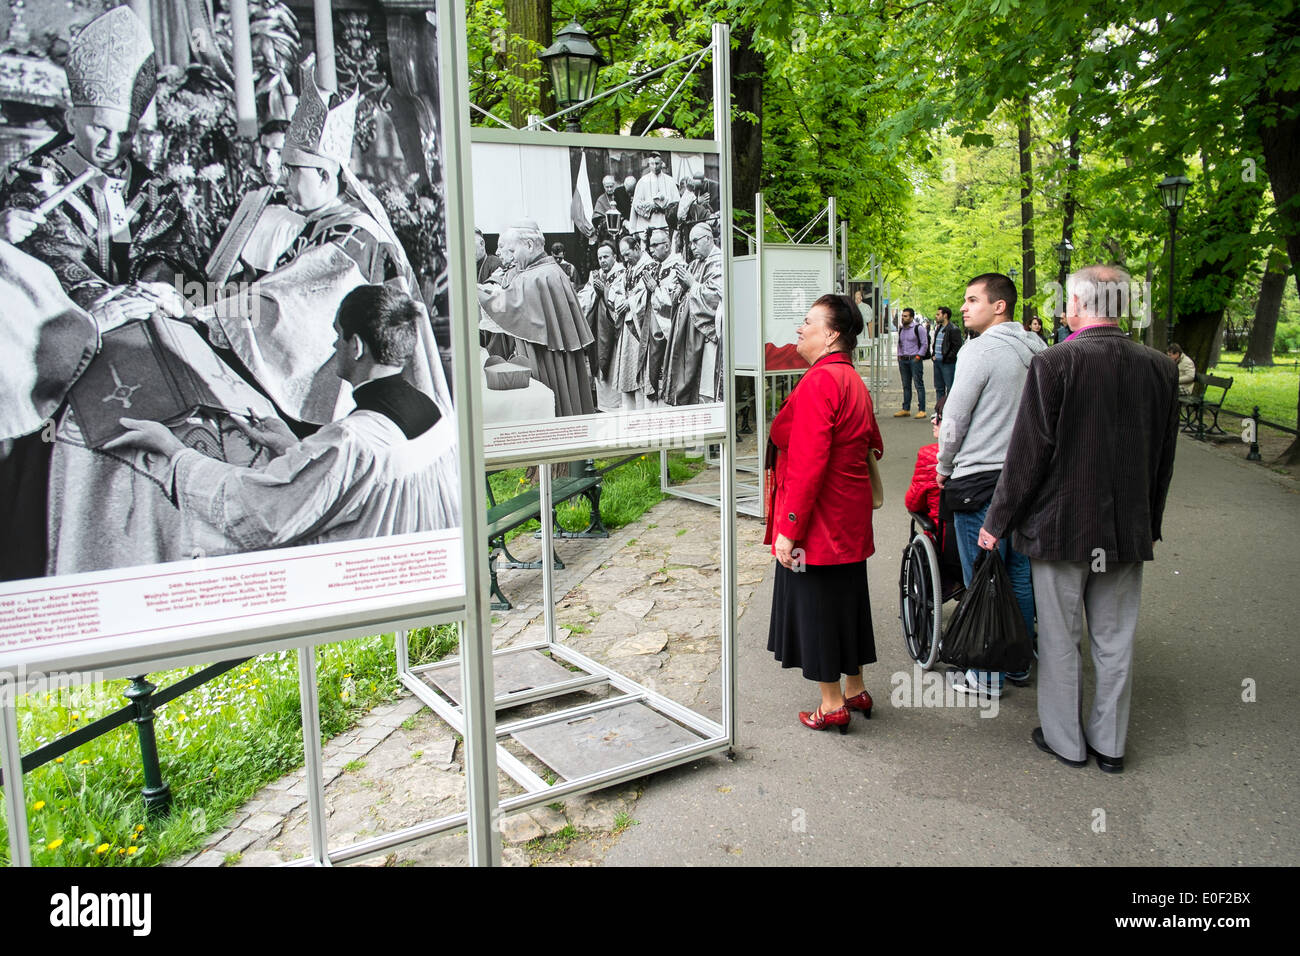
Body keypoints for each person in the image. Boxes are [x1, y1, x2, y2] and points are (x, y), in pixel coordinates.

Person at [0, 6, 199, 580]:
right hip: (59, 354)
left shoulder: (151, 183)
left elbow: (168, 253)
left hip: (140, 344)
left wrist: (159, 288)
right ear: (70, 114)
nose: (112, 144)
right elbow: (45, 262)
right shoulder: (32, 182)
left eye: (126, 131)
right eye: (99, 128)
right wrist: (101, 304)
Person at [980, 265, 1179, 772]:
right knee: (1115, 641)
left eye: (1066, 300)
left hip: (1060, 527)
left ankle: (1066, 741)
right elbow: (1163, 458)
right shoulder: (1159, 367)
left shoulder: (1055, 363)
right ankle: (1109, 745)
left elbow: (1027, 456)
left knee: (1063, 638)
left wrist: (997, 521)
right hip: (1125, 529)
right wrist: (1148, 521)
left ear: (1079, 304)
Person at [110, 285, 459, 554]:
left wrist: (173, 451)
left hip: (365, 577)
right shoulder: (436, 411)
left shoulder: (350, 440)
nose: (334, 346)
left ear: (356, 346)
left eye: (337, 335)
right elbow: (354, 484)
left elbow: (264, 514)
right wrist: (291, 446)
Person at [766, 294, 883, 733]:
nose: (800, 328)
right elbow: (873, 440)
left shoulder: (820, 382)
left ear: (831, 333)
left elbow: (808, 462)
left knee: (816, 605)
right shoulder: (849, 377)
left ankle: (831, 703)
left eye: (808, 321)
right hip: (847, 516)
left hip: (819, 519)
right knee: (846, 599)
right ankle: (855, 688)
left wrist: (789, 530)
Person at [936, 272, 1046, 696]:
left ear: (999, 305)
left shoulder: (979, 351)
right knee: (1018, 571)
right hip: (1027, 477)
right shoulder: (1038, 349)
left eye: (972, 300)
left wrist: (944, 466)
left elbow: (956, 417)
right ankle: (1018, 663)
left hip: (979, 478)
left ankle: (985, 675)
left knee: (981, 574)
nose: (963, 307)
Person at [478, 219, 596, 417]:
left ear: (530, 245)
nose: (513, 258)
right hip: (558, 356)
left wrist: (479, 294)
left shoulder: (533, 278)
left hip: (542, 356)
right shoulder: (552, 271)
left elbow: (508, 307)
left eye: (514, 251)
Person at [660, 223, 723, 405]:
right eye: (690, 243)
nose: (692, 247)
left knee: (704, 389)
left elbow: (715, 298)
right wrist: (680, 287)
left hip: (706, 338)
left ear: (709, 239)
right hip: (687, 336)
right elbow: (683, 294)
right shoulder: (695, 263)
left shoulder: (718, 261)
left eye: (695, 241)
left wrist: (692, 284)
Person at [629, 153, 679, 234]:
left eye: (657, 163)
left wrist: (665, 206)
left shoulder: (670, 181)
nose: (655, 167)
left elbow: (677, 202)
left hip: (665, 224)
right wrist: (651, 206)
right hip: (647, 225)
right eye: (652, 164)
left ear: (661, 163)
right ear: (649, 164)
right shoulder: (642, 182)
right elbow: (636, 204)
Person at [894, 307, 929, 418]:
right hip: (903, 360)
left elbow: (924, 344)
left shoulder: (919, 328)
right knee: (906, 385)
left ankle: (922, 410)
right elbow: (900, 344)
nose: (903, 318)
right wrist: (899, 356)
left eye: (905, 316)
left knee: (918, 384)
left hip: (914, 359)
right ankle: (906, 409)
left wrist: (918, 356)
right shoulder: (901, 329)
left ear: (911, 317)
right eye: (902, 316)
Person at [932, 305, 962, 401]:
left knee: (950, 388)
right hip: (937, 362)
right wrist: (933, 355)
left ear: (945, 315)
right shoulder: (939, 328)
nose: (936, 316)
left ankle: (949, 411)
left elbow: (956, 347)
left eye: (938, 314)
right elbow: (936, 343)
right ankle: (939, 411)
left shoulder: (953, 329)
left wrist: (947, 358)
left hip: (947, 364)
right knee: (939, 388)